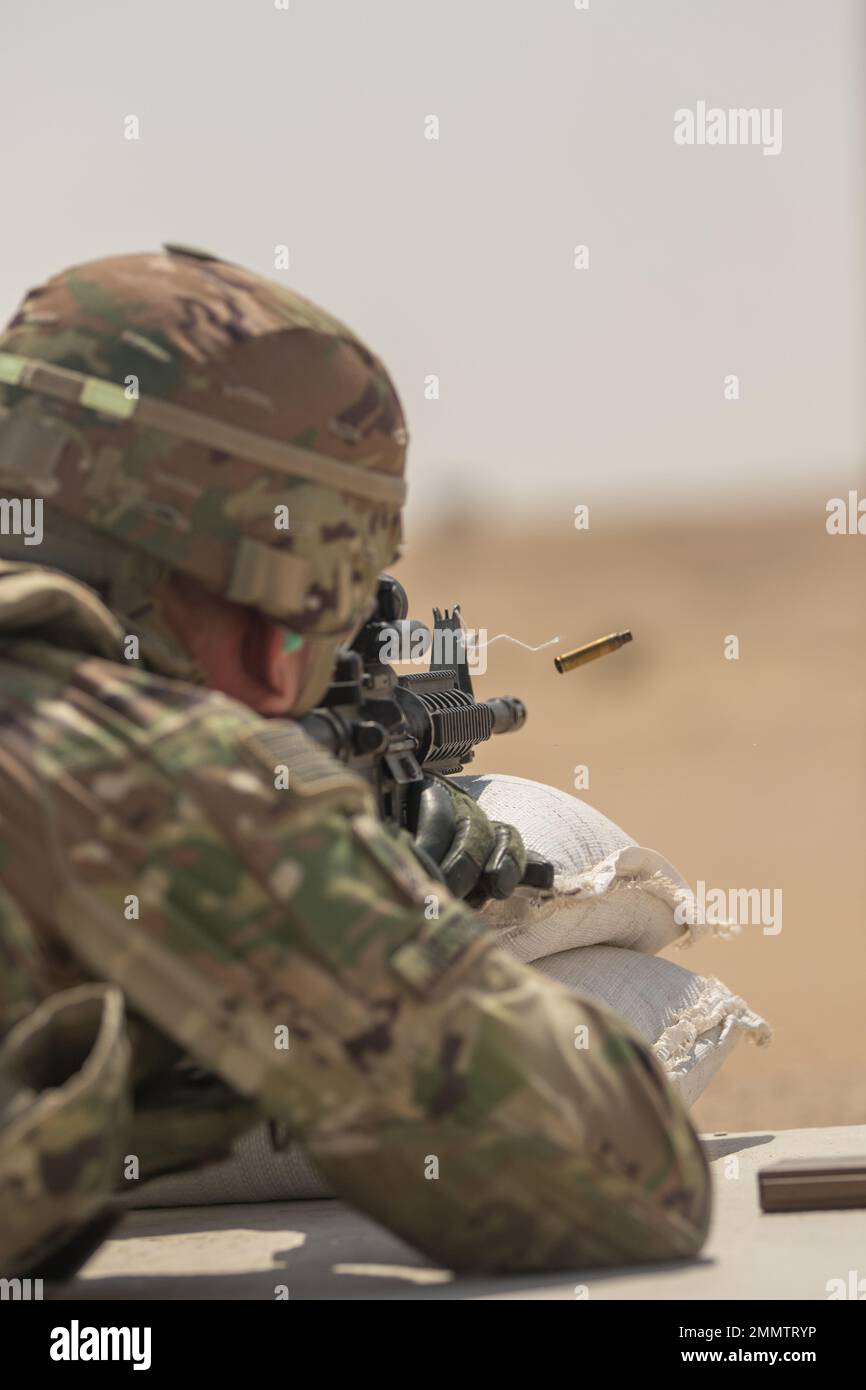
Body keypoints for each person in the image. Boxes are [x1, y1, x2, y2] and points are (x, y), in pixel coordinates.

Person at [0, 246, 710, 1278]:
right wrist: (360, 906)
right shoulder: (148, 778)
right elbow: (630, 1183)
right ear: (269, 615)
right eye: (333, 600)